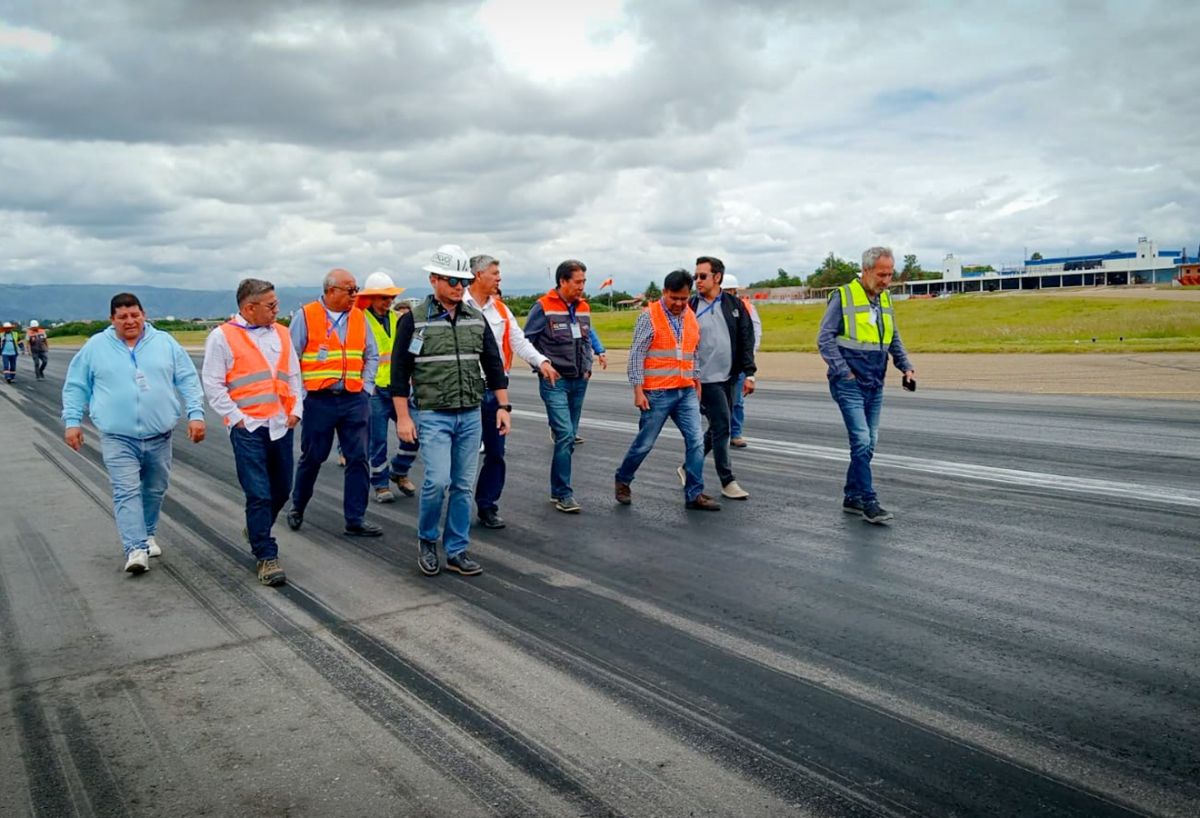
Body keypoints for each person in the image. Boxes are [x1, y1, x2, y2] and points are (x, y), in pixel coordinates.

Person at [61, 293, 207, 573]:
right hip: (118, 436)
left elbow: (188, 379)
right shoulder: (95, 347)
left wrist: (196, 414)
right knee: (125, 490)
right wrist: (72, 421)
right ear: (112, 319)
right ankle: (135, 549)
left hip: (159, 435)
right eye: (122, 317)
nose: (130, 321)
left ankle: (147, 533)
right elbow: (76, 385)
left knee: (155, 489)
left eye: (134, 315)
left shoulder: (165, 343)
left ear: (144, 315)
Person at [391, 244, 511, 577]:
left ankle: (457, 550)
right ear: (434, 280)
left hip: (471, 413)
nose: (459, 287)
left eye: (464, 281)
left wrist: (503, 406)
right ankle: (428, 540)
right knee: (436, 481)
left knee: (462, 485)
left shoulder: (476, 319)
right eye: (452, 281)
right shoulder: (414, 320)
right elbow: (399, 372)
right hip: (433, 414)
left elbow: (493, 364)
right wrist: (403, 417)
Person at [201, 279, 300, 586]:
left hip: (280, 424)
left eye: (276, 304)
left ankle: (257, 528)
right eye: (271, 305)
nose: (276, 310)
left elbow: (293, 375)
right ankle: (266, 555)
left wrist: (297, 409)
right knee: (258, 492)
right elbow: (213, 383)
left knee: (282, 489)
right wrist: (236, 418)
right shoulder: (222, 337)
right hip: (248, 428)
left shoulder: (282, 333)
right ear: (249, 308)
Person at [817, 246, 915, 524]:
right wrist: (843, 372)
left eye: (890, 274)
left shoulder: (885, 299)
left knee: (869, 443)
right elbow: (824, 338)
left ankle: (852, 496)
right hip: (849, 383)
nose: (886, 281)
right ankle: (869, 501)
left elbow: (892, 336)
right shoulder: (844, 295)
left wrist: (905, 365)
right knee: (861, 440)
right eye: (882, 275)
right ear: (866, 270)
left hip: (875, 381)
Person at [464, 254, 559, 529]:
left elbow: (519, 341)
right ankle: (455, 505)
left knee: (495, 453)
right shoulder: (457, 305)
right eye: (495, 273)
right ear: (478, 275)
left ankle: (487, 506)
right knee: (462, 455)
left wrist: (541, 361)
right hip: (464, 391)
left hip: (494, 391)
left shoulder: (501, 310)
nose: (499, 278)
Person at [286, 268, 382, 537]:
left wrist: (366, 388)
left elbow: (372, 355)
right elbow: (291, 359)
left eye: (356, 289)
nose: (355, 295)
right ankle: (297, 506)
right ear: (330, 291)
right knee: (313, 457)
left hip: (354, 399)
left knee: (358, 458)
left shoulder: (359, 317)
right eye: (350, 290)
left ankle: (356, 519)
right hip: (319, 400)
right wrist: (300, 396)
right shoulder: (306, 316)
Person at [614, 270, 720, 510]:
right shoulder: (649, 317)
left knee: (696, 442)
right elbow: (637, 355)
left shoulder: (690, 316)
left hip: (685, 391)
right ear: (664, 292)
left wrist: (696, 380)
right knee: (645, 443)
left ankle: (694, 493)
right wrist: (638, 390)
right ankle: (623, 478)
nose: (679, 303)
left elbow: (693, 352)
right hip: (657, 393)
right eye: (674, 298)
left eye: (684, 298)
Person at [523, 259, 594, 513]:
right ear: (562, 281)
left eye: (584, 281)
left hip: (579, 381)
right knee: (565, 434)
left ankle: (557, 490)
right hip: (555, 382)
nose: (582, 287)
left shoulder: (584, 307)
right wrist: (540, 366)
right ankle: (564, 493)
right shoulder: (542, 306)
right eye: (577, 282)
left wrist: (588, 366)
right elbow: (525, 341)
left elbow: (586, 339)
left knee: (570, 437)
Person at [686, 256, 756, 500]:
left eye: (702, 276)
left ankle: (686, 467)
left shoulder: (734, 305)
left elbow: (746, 339)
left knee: (718, 426)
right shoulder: (690, 307)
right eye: (695, 276)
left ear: (717, 277)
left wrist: (749, 373)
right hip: (703, 379)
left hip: (729, 376)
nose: (697, 280)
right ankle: (727, 480)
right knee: (723, 426)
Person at [354, 271, 418, 504]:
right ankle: (380, 484)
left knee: (416, 433)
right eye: (383, 297)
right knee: (377, 441)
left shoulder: (398, 319)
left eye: (391, 297)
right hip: (375, 391)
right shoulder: (359, 321)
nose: (388, 302)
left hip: (400, 388)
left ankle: (399, 470)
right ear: (370, 298)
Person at [721, 275, 761, 447]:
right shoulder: (712, 307)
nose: (730, 293)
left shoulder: (746, 307)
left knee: (737, 401)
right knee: (718, 401)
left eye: (731, 290)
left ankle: (735, 433)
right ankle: (719, 433)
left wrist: (749, 356)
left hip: (738, 363)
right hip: (720, 363)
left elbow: (755, 332)